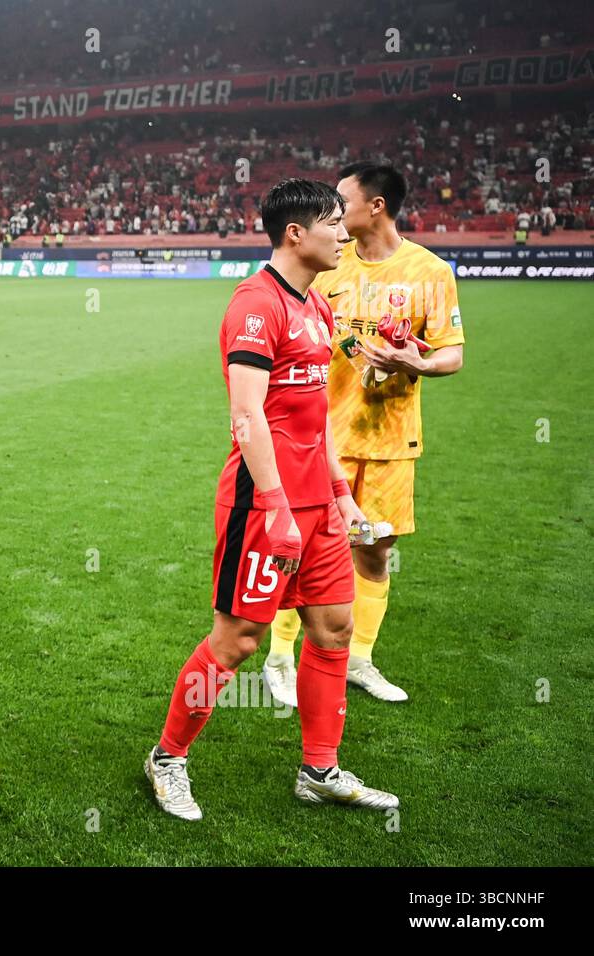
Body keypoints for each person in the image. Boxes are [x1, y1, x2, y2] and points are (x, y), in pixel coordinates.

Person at [145, 179, 398, 821]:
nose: (343, 235)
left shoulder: (317, 307)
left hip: (318, 508)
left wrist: (340, 497)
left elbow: (316, 419)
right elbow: (247, 416)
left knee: (334, 627)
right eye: (333, 223)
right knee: (238, 640)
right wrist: (279, 507)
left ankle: (320, 770)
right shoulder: (256, 304)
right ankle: (167, 758)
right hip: (263, 506)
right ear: (296, 232)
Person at [265, 163, 465, 704]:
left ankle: (359, 659)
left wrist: (416, 363)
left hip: (390, 438)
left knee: (375, 551)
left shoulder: (429, 272)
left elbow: (452, 354)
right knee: (302, 549)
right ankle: (279, 657)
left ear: (376, 206)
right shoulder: (327, 263)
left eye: (342, 200)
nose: (333, 210)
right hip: (321, 436)